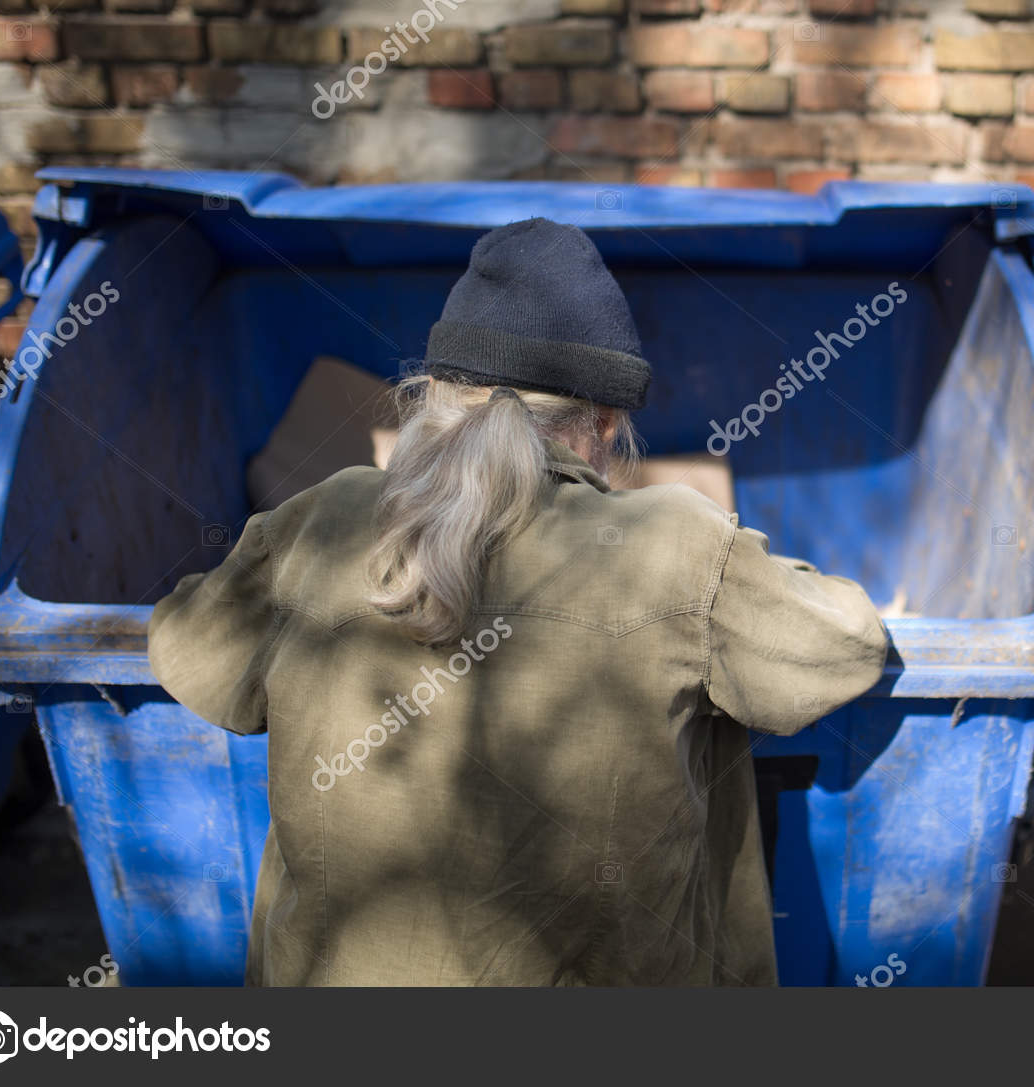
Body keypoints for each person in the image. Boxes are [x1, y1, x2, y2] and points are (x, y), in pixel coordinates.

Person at [148, 217, 890, 986]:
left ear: (433, 401)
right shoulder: (678, 545)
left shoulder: (323, 520)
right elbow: (846, 644)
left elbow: (185, 648)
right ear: (602, 424)